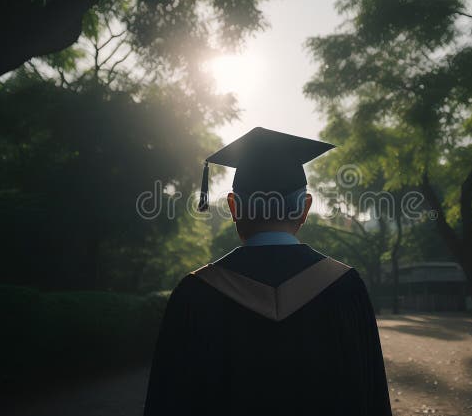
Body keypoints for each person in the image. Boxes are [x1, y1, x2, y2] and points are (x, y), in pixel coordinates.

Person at [143, 127, 392, 416]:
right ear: (305, 208)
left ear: (233, 206)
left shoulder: (194, 293)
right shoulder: (345, 288)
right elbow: (370, 398)